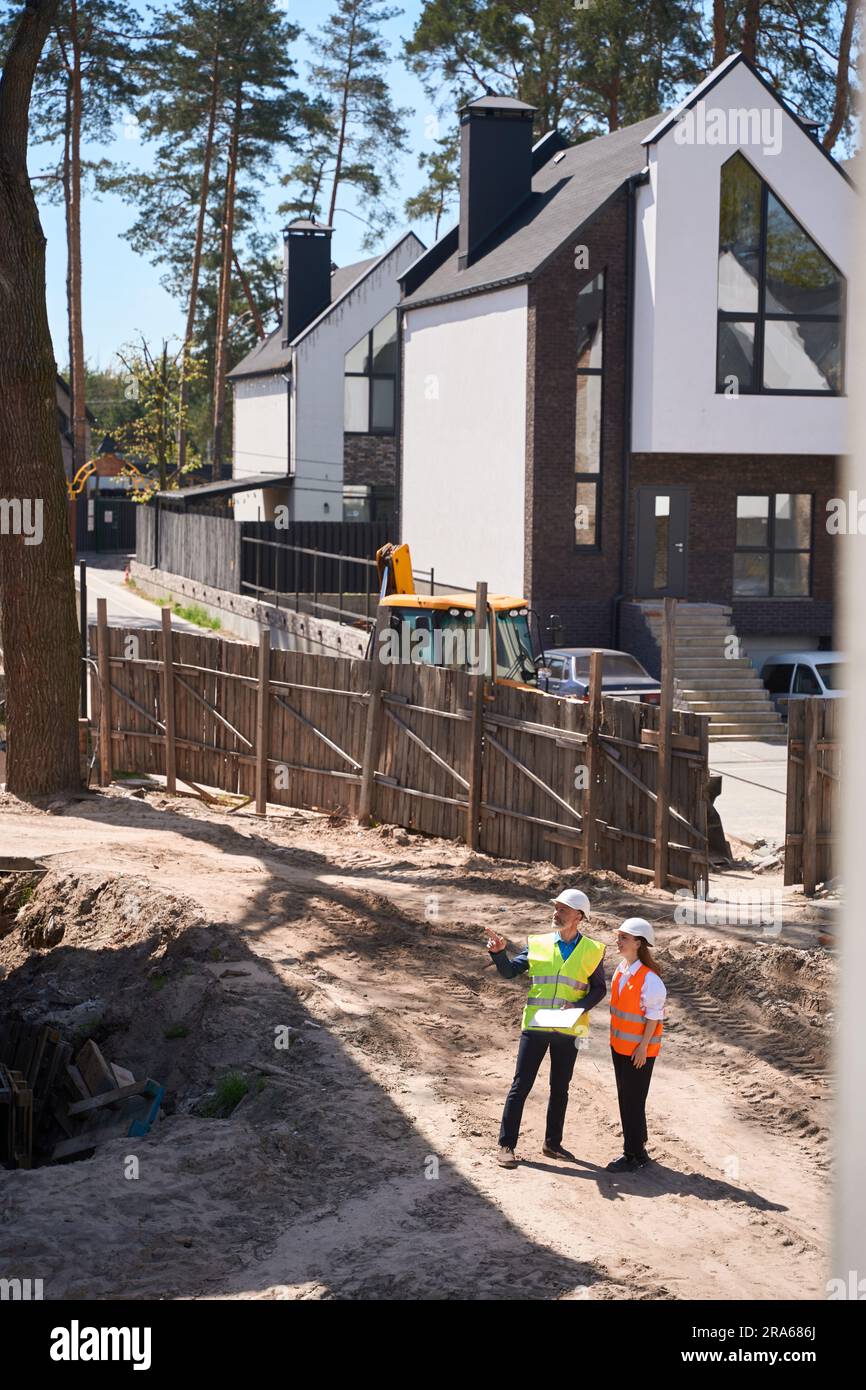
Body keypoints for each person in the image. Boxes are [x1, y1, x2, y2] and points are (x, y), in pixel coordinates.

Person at [485, 888, 606, 1168]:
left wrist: (578, 1008)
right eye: (556, 908)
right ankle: (506, 1145)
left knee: (560, 1087)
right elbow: (509, 971)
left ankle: (552, 1144)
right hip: (537, 1025)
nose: (556, 913)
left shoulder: (592, 950)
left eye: (563, 909)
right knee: (521, 1084)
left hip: (567, 1028)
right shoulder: (538, 944)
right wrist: (500, 954)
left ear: (578, 916)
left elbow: (599, 989)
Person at [606, 917, 666, 1173]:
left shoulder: (650, 979)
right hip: (619, 1046)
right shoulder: (622, 968)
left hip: (638, 1051)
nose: (618, 941)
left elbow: (654, 1016)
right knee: (628, 1098)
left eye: (624, 938)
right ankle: (639, 1148)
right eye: (619, 937)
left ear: (638, 943)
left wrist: (642, 1047)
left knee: (632, 1100)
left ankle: (632, 1154)